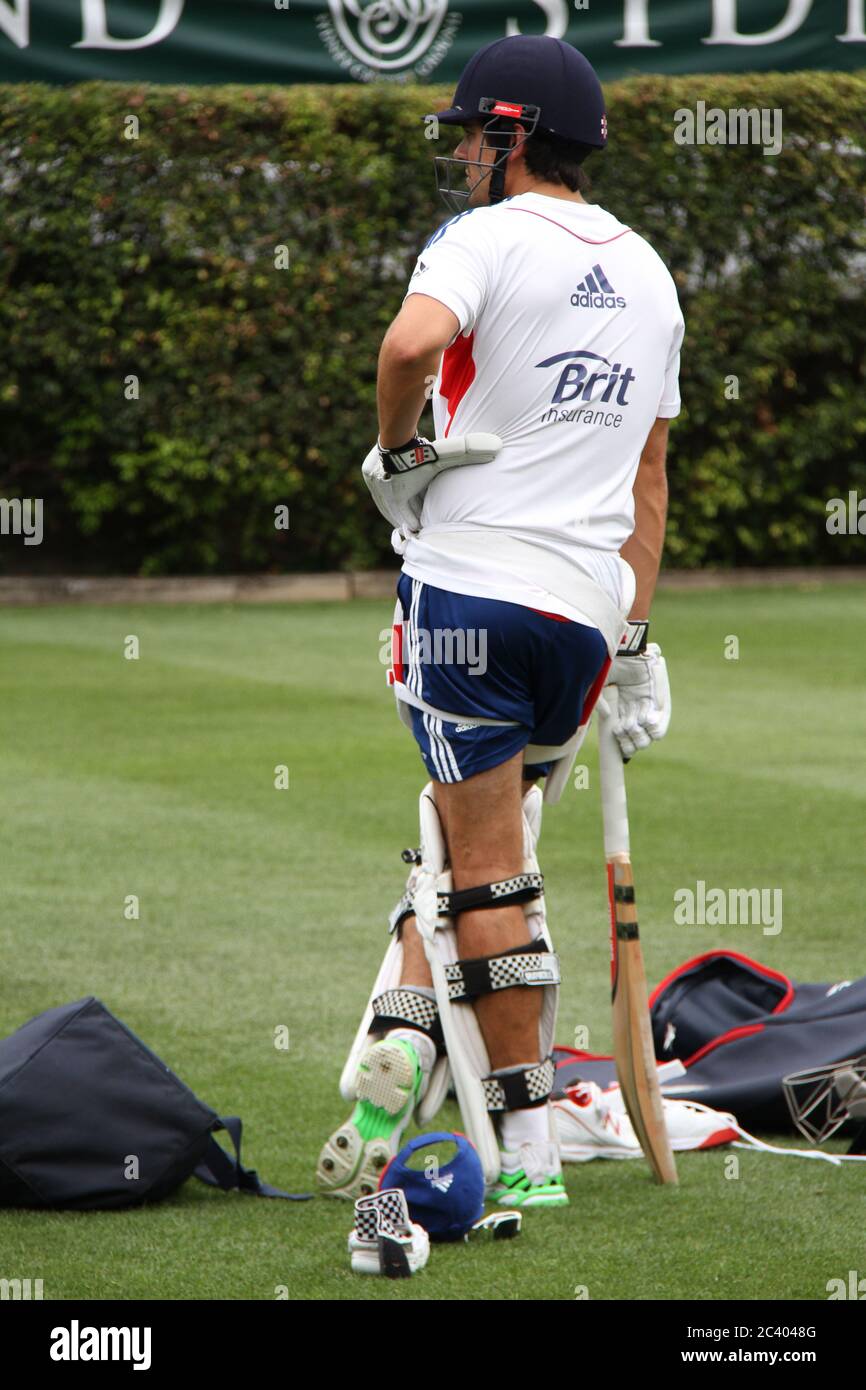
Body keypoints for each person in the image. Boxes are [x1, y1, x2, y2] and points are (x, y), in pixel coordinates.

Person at [317, 34, 682, 1208]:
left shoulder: (476, 237)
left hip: (467, 589)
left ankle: (520, 1149)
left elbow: (409, 346)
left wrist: (398, 447)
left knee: (479, 869)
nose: (463, 154)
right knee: (476, 844)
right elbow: (650, 477)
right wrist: (628, 631)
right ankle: (409, 1026)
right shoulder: (650, 270)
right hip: (580, 614)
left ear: (514, 137)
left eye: (475, 133)